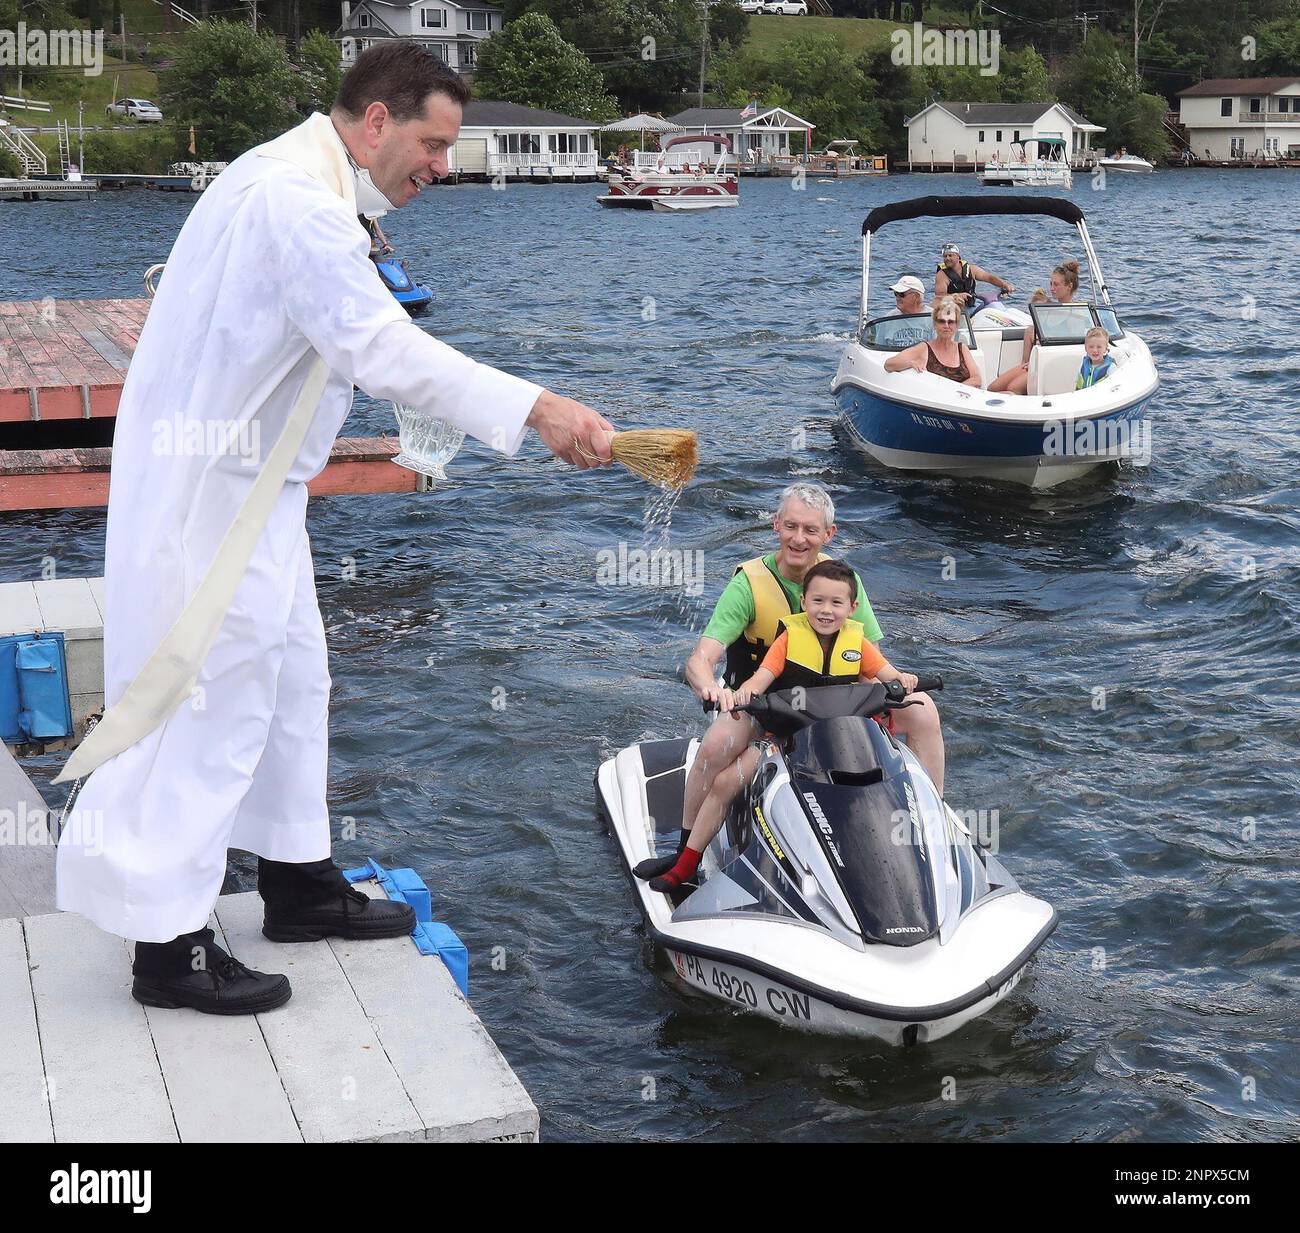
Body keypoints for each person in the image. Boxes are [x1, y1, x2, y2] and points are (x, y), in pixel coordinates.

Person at [54, 44, 616, 1016]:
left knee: (293, 685)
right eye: (434, 143)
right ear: (375, 124)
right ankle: (167, 944)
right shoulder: (299, 206)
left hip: (252, 491)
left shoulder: (295, 178)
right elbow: (378, 346)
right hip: (210, 505)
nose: (442, 166)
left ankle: (297, 880)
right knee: (212, 710)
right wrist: (538, 406)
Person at [641, 560, 942, 893]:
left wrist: (905, 681)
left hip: (845, 742)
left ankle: (924, 835)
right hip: (787, 740)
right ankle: (686, 863)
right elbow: (760, 679)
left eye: (836, 603)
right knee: (727, 781)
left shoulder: (859, 643)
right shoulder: (788, 640)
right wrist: (740, 696)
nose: (826, 611)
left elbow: (889, 676)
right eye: (818, 601)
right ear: (804, 602)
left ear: (852, 608)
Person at [988, 258, 1081, 395]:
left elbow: (1073, 351)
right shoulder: (1048, 310)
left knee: (1013, 388)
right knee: (993, 388)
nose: (1052, 288)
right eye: (1051, 284)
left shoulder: (1076, 315)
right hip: (1035, 362)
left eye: (1056, 284)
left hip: (1054, 366)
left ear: (1069, 286)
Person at [883, 297, 982, 387]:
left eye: (951, 322)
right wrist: (910, 363)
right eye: (941, 321)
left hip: (960, 399)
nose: (946, 326)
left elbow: (977, 379)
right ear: (934, 324)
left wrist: (953, 391)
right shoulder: (924, 348)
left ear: (956, 326)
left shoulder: (962, 348)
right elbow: (889, 365)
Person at [934, 242, 1015, 309]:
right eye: (945, 256)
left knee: (994, 306)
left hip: (970, 308)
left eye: (950, 255)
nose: (947, 258)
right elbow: (939, 297)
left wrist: (1004, 284)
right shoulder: (941, 275)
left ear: (958, 256)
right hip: (953, 313)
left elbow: (989, 277)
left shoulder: (971, 269)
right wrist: (957, 296)